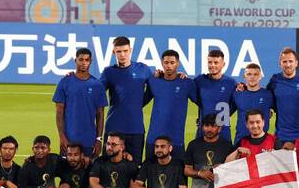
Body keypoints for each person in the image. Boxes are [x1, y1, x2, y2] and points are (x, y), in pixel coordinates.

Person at [225, 108, 287, 188]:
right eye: (252, 123)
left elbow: (284, 168)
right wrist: (237, 152)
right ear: (247, 124)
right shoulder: (242, 142)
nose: (255, 126)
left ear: (264, 122)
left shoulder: (274, 141)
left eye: (258, 122)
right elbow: (226, 164)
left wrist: (276, 157)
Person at [101, 35, 153, 163]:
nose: (122, 55)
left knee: (134, 170)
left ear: (130, 50)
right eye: (119, 51)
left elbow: (154, 89)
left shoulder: (143, 69)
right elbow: (96, 91)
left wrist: (139, 102)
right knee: (108, 169)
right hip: (113, 128)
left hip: (135, 129)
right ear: (114, 52)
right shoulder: (108, 72)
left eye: (125, 51)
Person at [183, 114, 235, 188]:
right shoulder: (193, 145)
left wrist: (221, 168)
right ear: (202, 127)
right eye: (206, 125)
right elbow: (186, 170)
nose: (209, 129)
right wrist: (200, 173)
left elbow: (233, 170)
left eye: (213, 126)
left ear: (220, 128)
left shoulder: (227, 146)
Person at [53, 47, 107, 161]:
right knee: (66, 175)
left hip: (89, 141)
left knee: (89, 176)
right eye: (81, 59)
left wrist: (99, 139)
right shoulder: (65, 82)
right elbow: (59, 112)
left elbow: (100, 114)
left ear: (91, 61)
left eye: (87, 60)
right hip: (69, 140)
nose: (84, 63)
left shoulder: (97, 85)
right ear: (75, 60)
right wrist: (62, 137)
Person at [146, 49, 195, 157]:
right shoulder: (153, 80)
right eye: (166, 63)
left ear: (178, 63)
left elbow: (201, 103)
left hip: (176, 140)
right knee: (149, 172)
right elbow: (142, 101)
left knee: (178, 173)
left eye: (172, 63)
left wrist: (201, 119)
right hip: (153, 139)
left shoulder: (187, 83)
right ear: (162, 63)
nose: (168, 66)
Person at [267, 47, 299, 144]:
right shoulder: (275, 79)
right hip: (281, 136)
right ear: (280, 64)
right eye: (284, 61)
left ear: (296, 63)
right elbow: (266, 98)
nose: (288, 64)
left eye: (291, 61)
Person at [192, 47, 238, 130]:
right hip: (203, 131)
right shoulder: (199, 81)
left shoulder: (231, 83)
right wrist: (179, 75)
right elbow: (185, 87)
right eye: (210, 62)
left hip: (223, 132)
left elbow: (238, 103)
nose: (212, 65)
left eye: (216, 62)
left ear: (223, 64)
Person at [232, 62, 274, 143]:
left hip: (263, 142)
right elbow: (227, 112)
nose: (252, 77)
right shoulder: (237, 93)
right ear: (244, 76)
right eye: (249, 74)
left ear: (260, 76)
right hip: (241, 140)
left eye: (255, 74)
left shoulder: (268, 95)